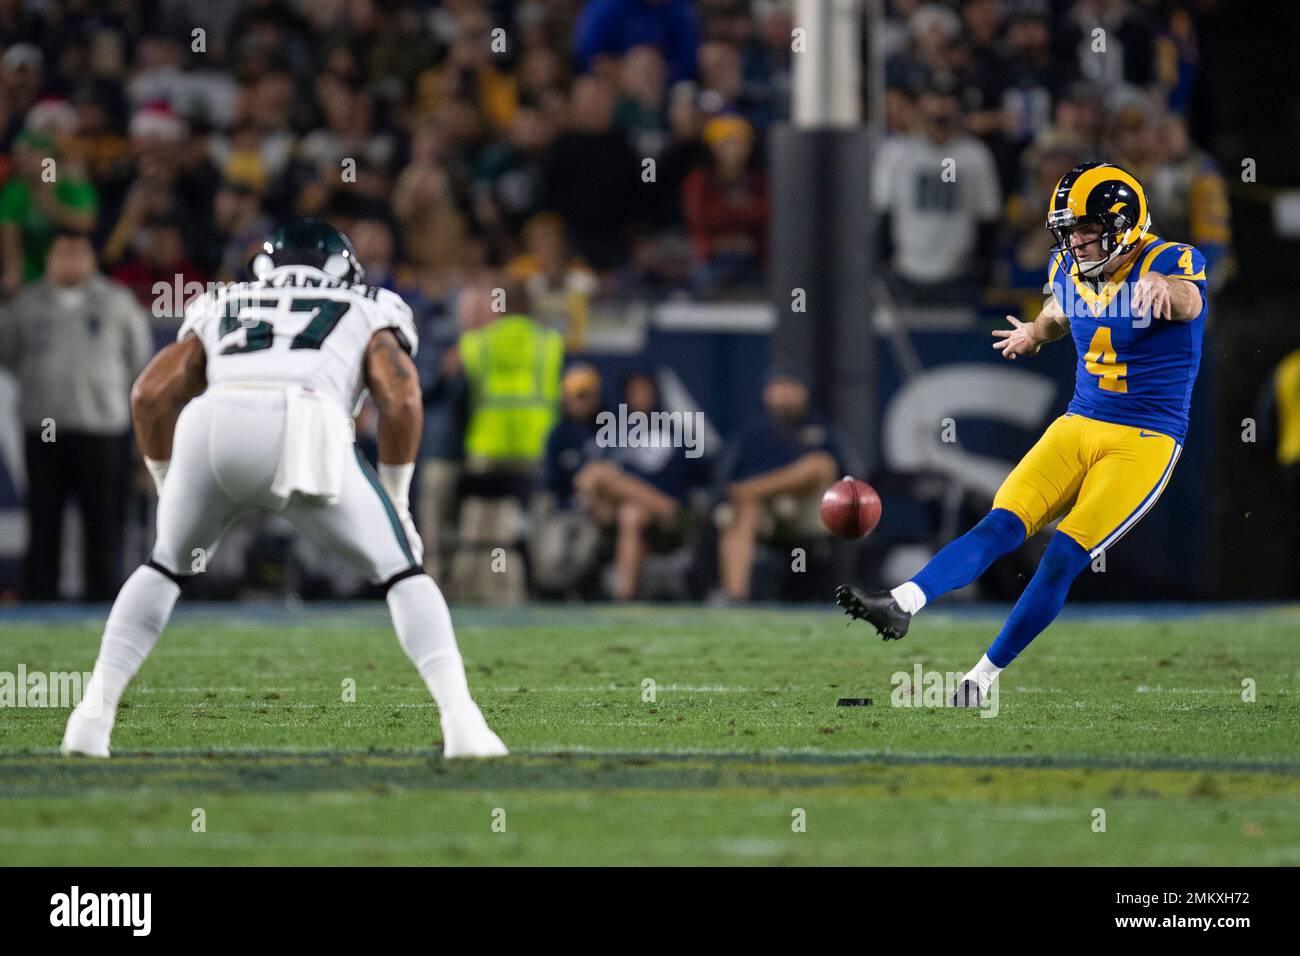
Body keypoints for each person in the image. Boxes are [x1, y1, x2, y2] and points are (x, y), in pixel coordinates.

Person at [60, 218, 505, 759]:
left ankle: (91, 719)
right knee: (403, 570)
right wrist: (396, 494)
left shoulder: (224, 301)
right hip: (307, 422)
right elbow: (405, 397)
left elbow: (149, 395)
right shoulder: (367, 304)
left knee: (163, 567)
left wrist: (166, 484)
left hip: (213, 422)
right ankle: (462, 724)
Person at [838, 162, 1209, 706]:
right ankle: (901, 603)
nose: (1075, 240)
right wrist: (1036, 333)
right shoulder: (1069, 264)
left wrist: (1162, 287)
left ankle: (982, 677)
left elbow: (1190, 299)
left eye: (1087, 228)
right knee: (1002, 524)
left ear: (1124, 223)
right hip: (1079, 423)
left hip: (1144, 439)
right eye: (1070, 229)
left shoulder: (1168, 260)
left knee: (1062, 554)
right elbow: (1063, 310)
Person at [0, 230, 153, 600]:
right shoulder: (26, 305)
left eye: (78, 253)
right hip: (44, 428)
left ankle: (102, 598)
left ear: (91, 259)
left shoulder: (117, 303)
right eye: (62, 253)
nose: (70, 261)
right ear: (49, 259)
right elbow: (10, 355)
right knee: (44, 517)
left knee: (102, 519)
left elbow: (138, 360)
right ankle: (40, 597)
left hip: (100, 428)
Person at [715, 371, 859, 602]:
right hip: (763, 511)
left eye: (791, 386)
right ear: (766, 392)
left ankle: (756, 489)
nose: (784, 394)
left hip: (809, 508)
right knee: (743, 509)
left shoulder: (822, 427)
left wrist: (760, 487)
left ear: (803, 391)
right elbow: (724, 478)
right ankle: (735, 596)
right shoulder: (752, 431)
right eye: (778, 387)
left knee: (819, 463)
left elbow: (843, 474)